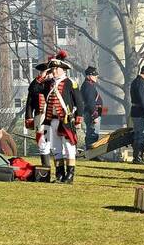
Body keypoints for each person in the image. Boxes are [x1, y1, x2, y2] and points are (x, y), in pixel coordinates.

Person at [33, 51, 84, 184]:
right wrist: (41, 77)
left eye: (56, 68)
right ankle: (60, 174)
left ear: (63, 69)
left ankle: (70, 176)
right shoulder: (48, 83)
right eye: (53, 68)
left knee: (68, 148)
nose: (54, 71)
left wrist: (78, 119)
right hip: (51, 120)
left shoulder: (70, 83)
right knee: (56, 148)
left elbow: (79, 102)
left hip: (65, 121)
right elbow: (33, 90)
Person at [23, 56, 53, 179]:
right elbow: (30, 101)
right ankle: (45, 166)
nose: (43, 74)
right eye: (42, 72)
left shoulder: (53, 83)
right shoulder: (38, 83)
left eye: (45, 72)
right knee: (42, 141)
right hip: (40, 115)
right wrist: (29, 117)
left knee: (55, 142)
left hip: (53, 114)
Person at [129, 63, 144, 163]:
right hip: (140, 113)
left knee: (138, 135)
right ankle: (138, 157)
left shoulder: (135, 82)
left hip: (135, 112)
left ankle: (138, 156)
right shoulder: (141, 83)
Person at [80, 66, 105, 152]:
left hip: (93, 113)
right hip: (92, 114)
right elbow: (90, 102)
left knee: (93, 134)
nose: (96, 77)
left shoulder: (89, 85)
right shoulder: (88, 86)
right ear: (89, 76)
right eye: (94, 75)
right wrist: (95, 116)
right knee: (93, 135)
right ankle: (91, 153)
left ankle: (91, 153)